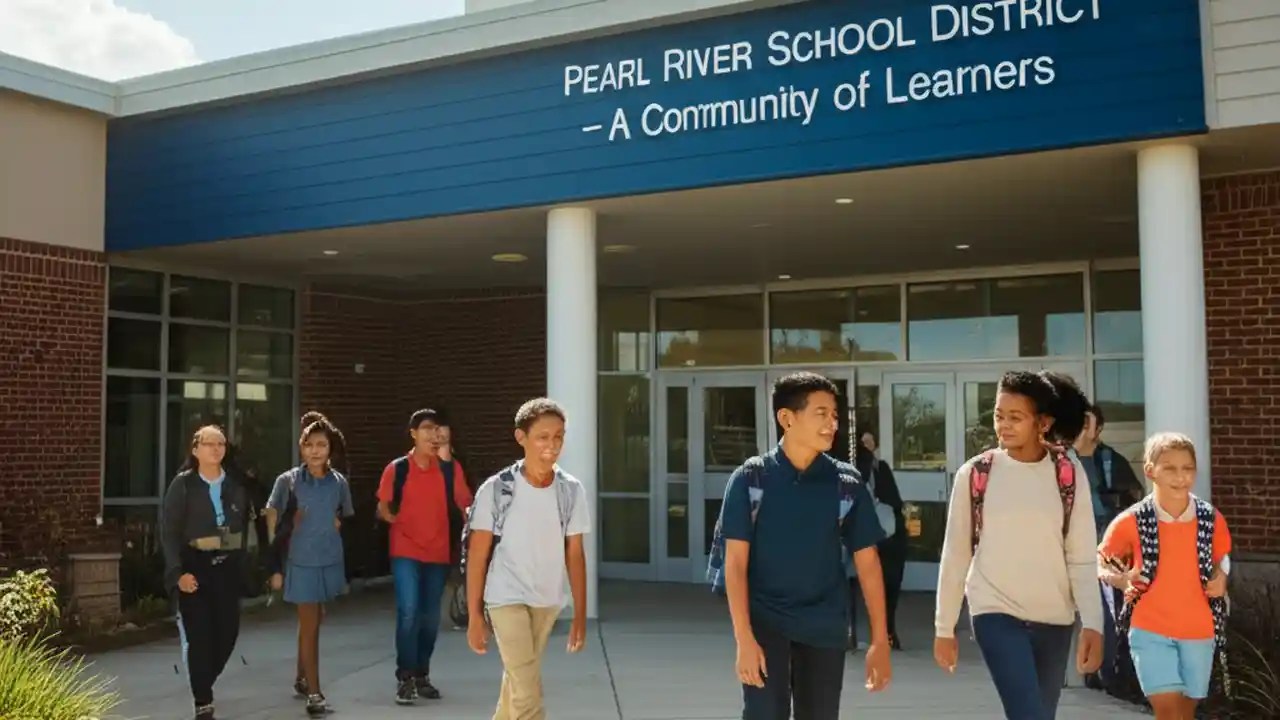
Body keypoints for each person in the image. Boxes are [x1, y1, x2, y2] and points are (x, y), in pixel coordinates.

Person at [713, 371, 892, 720]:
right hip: (766, 621)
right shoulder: (751, 479)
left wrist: (880, 640)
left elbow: (868, 562)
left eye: (835, 415)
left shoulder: (845, 483)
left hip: (824, 626)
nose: (832, 424)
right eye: (821, 413)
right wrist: (744, 639)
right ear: (787, 418)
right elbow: (734, 564)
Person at [934, 370, 1104, 720]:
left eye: (1015, 417)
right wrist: (944, 627)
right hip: (994, 611)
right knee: (1028, 714)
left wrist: (1093, 623)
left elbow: (1082, 557)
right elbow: (956, 555)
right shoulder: (976, 474)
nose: (1004, 426)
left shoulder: (1068, 474)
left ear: (1043, 422)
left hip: (1054, 618)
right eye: (999, 416)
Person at [464, 397, 591, 720]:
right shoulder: (496, 490)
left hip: (546, 600)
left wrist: (580, 615)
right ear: (521, 437)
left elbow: (575, 554)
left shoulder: (570, 491)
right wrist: (474, 615)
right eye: (543, 437)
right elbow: (478, 555)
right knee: (527, 691)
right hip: (505, 597)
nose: (552, 445)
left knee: (518, 683)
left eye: (559, 436)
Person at [1097, 432, 1231, 720]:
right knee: (1167, 710)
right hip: (1150, 629)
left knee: (1185, 710)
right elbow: (1102, 563)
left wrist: (1221, 578)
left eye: (1188, 468)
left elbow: (1220, 559)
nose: (1180, 477)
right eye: (1170, 468)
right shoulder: (1131, 521)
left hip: (1199, 629)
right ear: (1150, 471)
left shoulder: (1210, 519)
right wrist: (1121, 579)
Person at [376, 408, 474, 704]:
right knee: (408, 611)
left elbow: (465, 504)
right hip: (405, 551)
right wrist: (396, 520)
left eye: (438, 429)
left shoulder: (448, 469)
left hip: (437, 552)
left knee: (430, 617)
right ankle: (405, 677)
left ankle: (421, 674)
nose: (434, 435)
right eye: (428, 429)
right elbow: (383, 506)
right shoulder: (397, 469)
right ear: (413, 433)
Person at [161, 425, 256, 720]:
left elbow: (247, 527)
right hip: (195, 565)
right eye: (209, 444)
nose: (216, 449)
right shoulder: (183, 485)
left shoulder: (236, 485)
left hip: (227, 568)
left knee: (227, 634)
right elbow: (169, 533)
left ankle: (202, 680)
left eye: (221, 444)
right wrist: (177, 574)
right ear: (195, 449)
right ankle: (203, 700)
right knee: (199, 636)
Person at [266, 417, 355, 716]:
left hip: (329, 558)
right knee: (310, 624)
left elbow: (346, 516)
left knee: (316, 618)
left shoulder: (338, 483)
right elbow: (271, 520)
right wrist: (275, 565)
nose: (315, 451)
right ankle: (314, 694)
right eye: (309, 445)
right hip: (300, 560)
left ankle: (301, 676)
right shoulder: (288, 481)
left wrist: (338, 523)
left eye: (321, 445)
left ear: (330, 449)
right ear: (300, 448)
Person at [1073, 404, 1144, 691]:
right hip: (1073, 542)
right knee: (1082, 609)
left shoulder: (1110, 461)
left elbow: (1134, 500)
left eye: (1085, 424)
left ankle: (1108, 673)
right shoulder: (1064, 462)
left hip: (1106, 543)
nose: (1079, 430)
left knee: (1106, 607)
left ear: (1098, 429)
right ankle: (1089, 668)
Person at [856, 432, 906, 651]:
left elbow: (894, 501)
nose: (867, 446)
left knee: (890, 584)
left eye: (870, 442)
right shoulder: (854, 469)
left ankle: (888, 631)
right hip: (867, 537)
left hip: (889, 537)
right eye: (863, 443)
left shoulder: (881, 468)